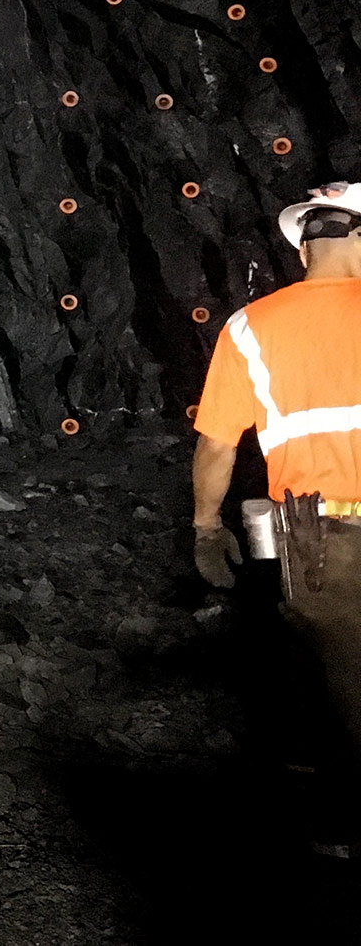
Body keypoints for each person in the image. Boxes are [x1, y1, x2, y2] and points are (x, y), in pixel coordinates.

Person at [192, 181, 361, 745]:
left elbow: (218, 445)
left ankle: (332, 824)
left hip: (315, 543)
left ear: (303, 250)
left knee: (335, 701)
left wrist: (206, 528)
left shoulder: (248, 327)